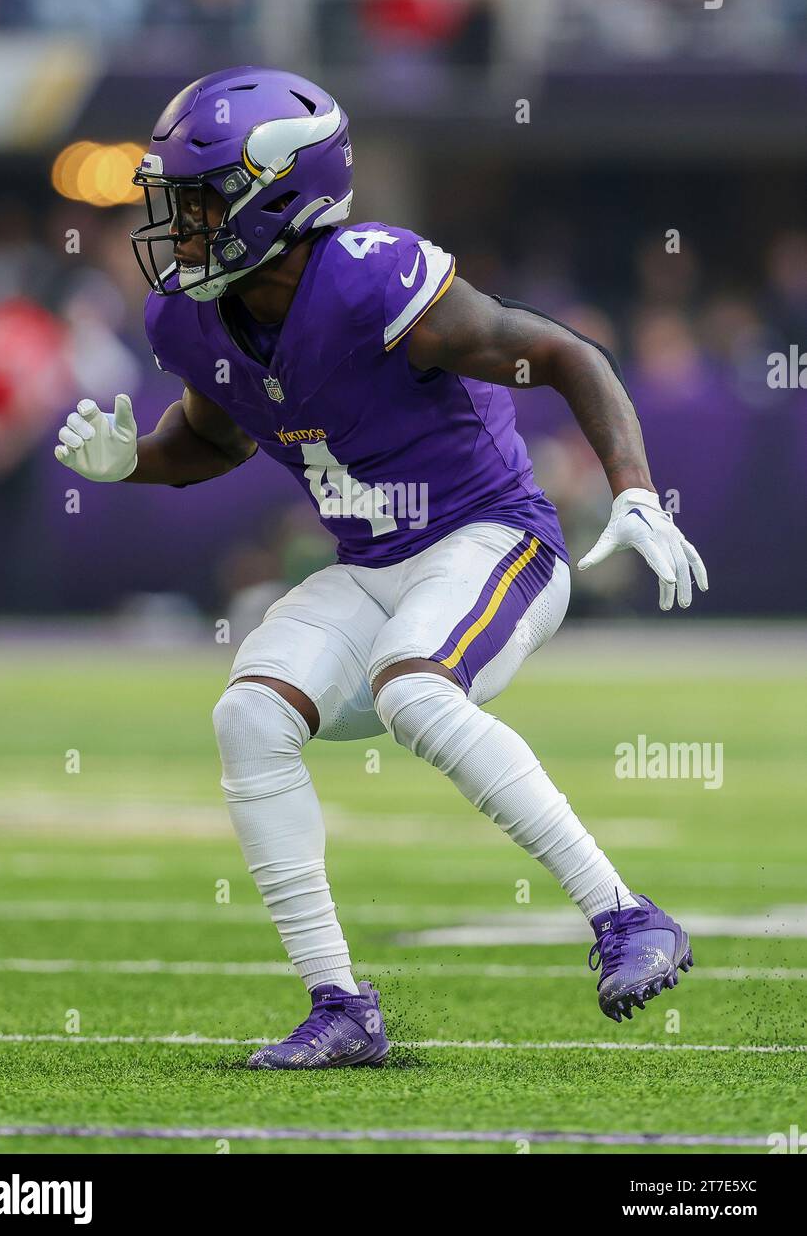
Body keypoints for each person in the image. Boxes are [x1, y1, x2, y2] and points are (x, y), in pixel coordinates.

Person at [55, 68, 706, 1069]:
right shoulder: (189, 319)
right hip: (367, 565)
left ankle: (626, 915)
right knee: (247, 714)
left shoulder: (370, 277)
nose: (173, 228)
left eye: (195, 202)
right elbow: (213, 440)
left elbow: (568, 354)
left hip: (492, 539)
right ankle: (340, 1003)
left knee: (412, 686)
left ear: (271, 197)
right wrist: (128, 461)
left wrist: (629, 487)